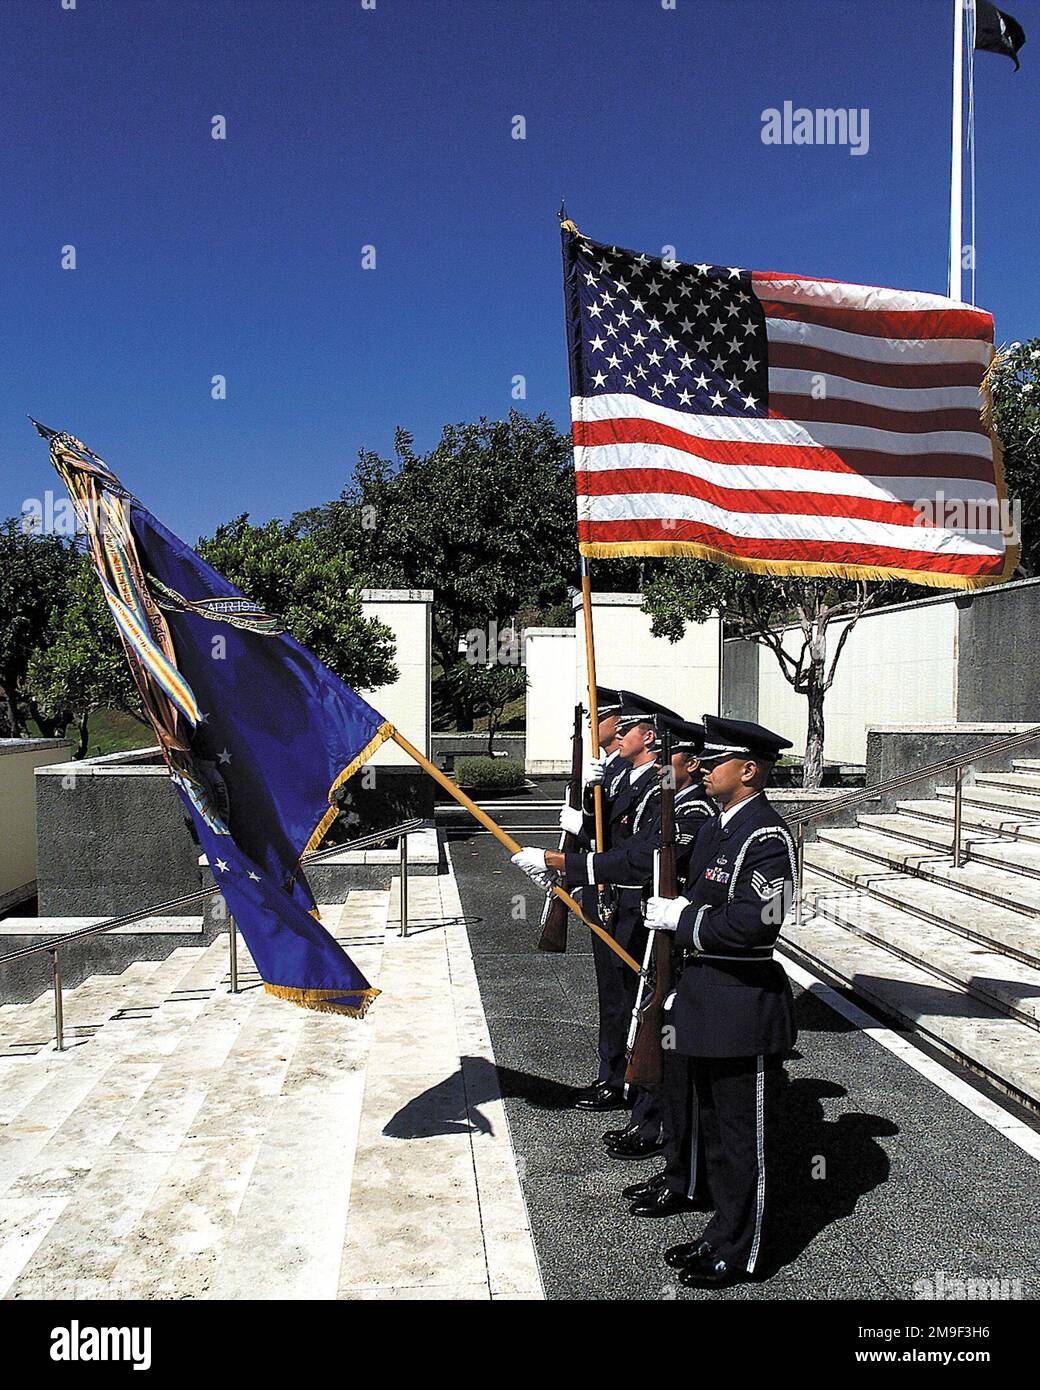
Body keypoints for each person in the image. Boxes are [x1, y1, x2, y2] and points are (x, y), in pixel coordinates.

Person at [644, 714, 796, 1287]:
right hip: (704, 993)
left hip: (741, 1001)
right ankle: (719, 1230)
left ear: (749, 770)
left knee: (741, 1138)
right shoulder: (718, 827)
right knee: (712, 1126)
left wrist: (686, 919)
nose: (701, 767)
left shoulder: (765, 836)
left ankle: (745, 1249)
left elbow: (762, 921)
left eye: (715, 760)